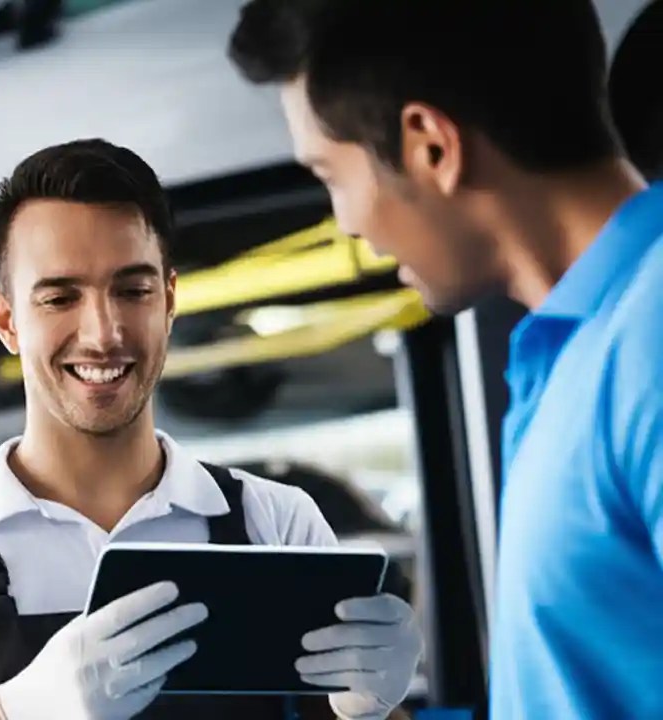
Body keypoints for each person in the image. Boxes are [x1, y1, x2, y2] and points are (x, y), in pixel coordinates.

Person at [0, 138, 423, 720]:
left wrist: (373, 712)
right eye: (60, 297)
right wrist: (22, 713)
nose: (103, 332)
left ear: (168, 301)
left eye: (132, 290)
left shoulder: (276, 524)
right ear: (8, 322)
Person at [228, 2, 663, 718]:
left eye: (331, 175)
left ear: (431, 145)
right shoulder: (567, 358)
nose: (346, 221)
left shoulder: (648, 343)